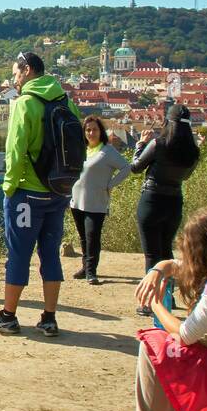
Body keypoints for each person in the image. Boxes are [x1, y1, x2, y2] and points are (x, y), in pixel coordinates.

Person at [104, 209, 207, 411]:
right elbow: (174, 265)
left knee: (155, 343)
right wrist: (158, 270)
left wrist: (156, 305)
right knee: (169, 344)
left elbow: (187, 333)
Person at [0, 52, 81, 337]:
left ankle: (9, 315)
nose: (14, 78)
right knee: (50, 254)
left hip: (27, 192)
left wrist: (9, 187)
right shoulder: (66, 102)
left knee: (18, 255)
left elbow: (15, 150)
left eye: (15, 72)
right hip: (59, 191)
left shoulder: (25, 103)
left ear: (26, 71)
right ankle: (49, 317)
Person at [132, 104, 201, 316]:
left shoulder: (159, 143)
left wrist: (140, 144)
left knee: (152, 254)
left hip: (152, 200)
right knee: (165, 251)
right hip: (174, 202)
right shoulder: (192, 151)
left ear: (167, 121)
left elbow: (135, 167)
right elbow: (186, 176)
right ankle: (167, 298)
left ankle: (150, 303)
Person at [69, 115, 131, 284]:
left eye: (94, 129)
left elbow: (126, 168)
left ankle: (91, 271)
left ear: (100, 131)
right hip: (76, 199)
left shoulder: (108, 151)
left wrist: (110, 184)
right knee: (83, 236)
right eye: (88, 130)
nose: (91, 133)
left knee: (92, 236)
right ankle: (85, 267)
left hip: (96, 201)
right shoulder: (82, 149)